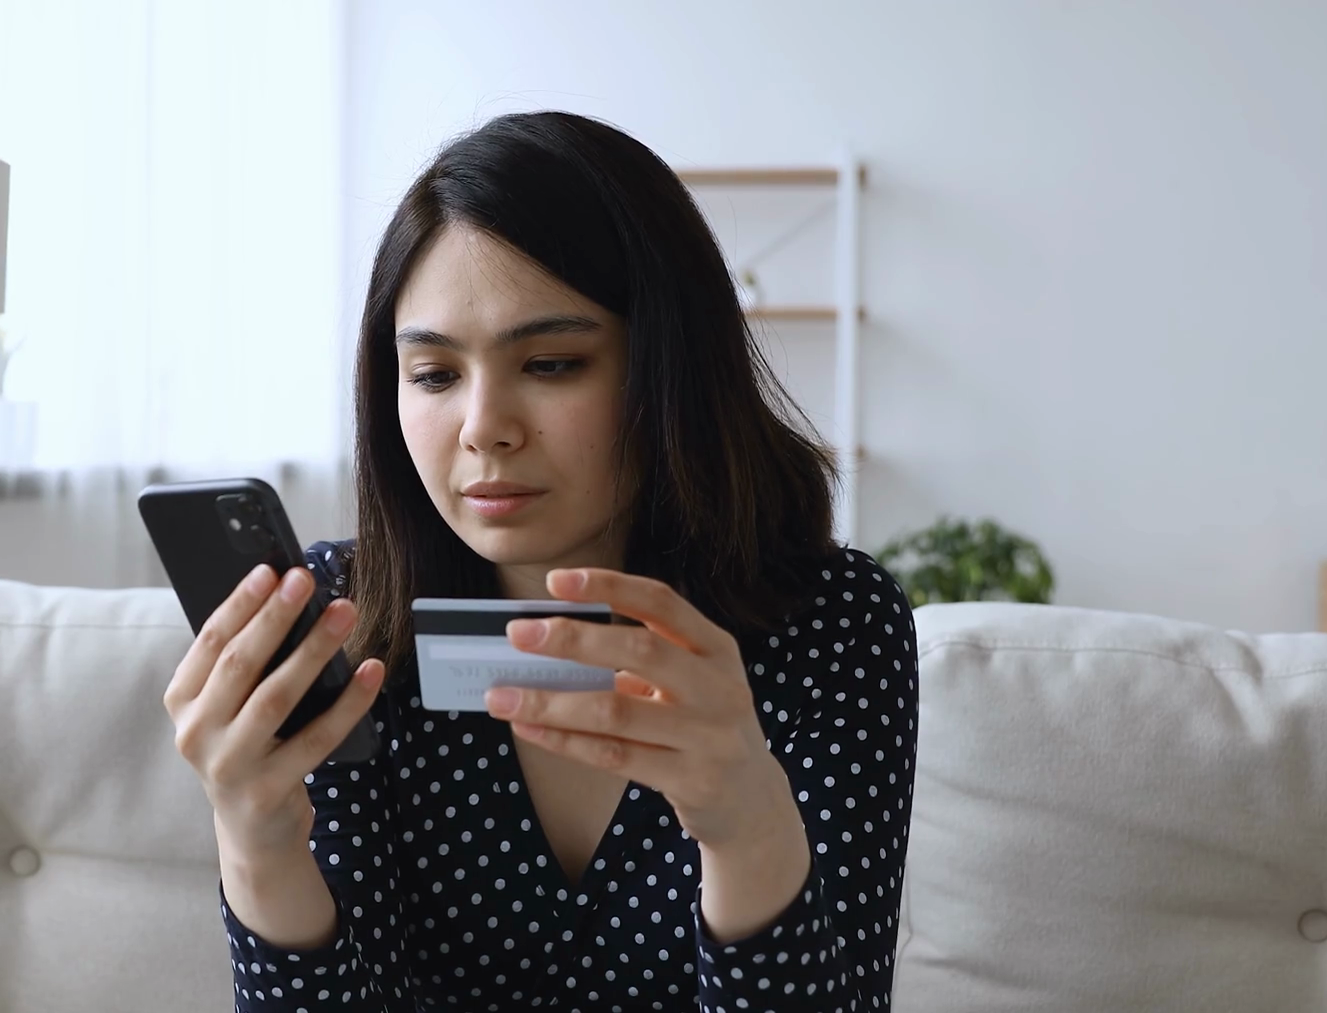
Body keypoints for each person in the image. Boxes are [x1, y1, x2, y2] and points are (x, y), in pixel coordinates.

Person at [162, 111, 918, 1013]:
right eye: (435, 375)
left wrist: (746, 820)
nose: (484, 426)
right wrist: (257, 840)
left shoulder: (834, 626)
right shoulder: (340, 622)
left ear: (672, 366)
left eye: (553, 363)